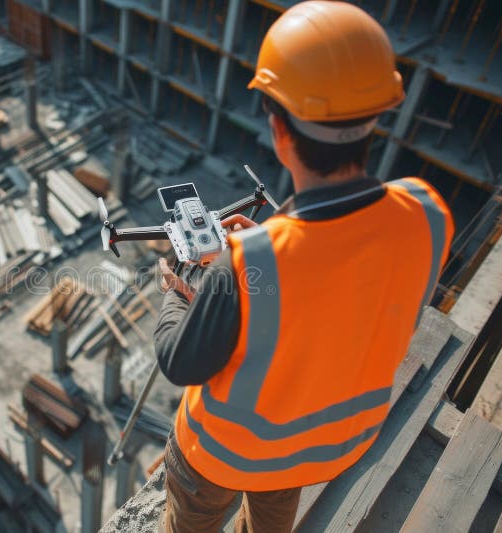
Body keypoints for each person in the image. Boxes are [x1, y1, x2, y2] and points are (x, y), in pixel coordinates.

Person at [153, 2, 454, 532]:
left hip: (221, 453)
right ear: (376, 117)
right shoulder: (428, 213)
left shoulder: (248, 264)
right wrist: (270, 244)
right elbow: (340, 278)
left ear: (277, 126)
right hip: (323, 449)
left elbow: (182, 363)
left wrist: (175, 292)